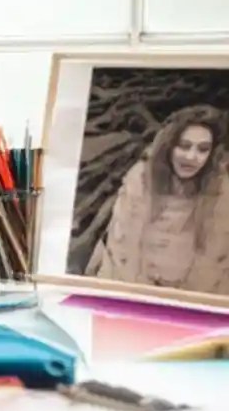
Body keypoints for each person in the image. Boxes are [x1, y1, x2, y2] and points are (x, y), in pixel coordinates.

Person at [86, 104, 229, 294]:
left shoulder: (221, 195)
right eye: (184, 146)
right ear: (169, 146)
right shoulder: (140, 183)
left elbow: (216, 262)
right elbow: (121, 250)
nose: (191, 157)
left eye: (202, 149)